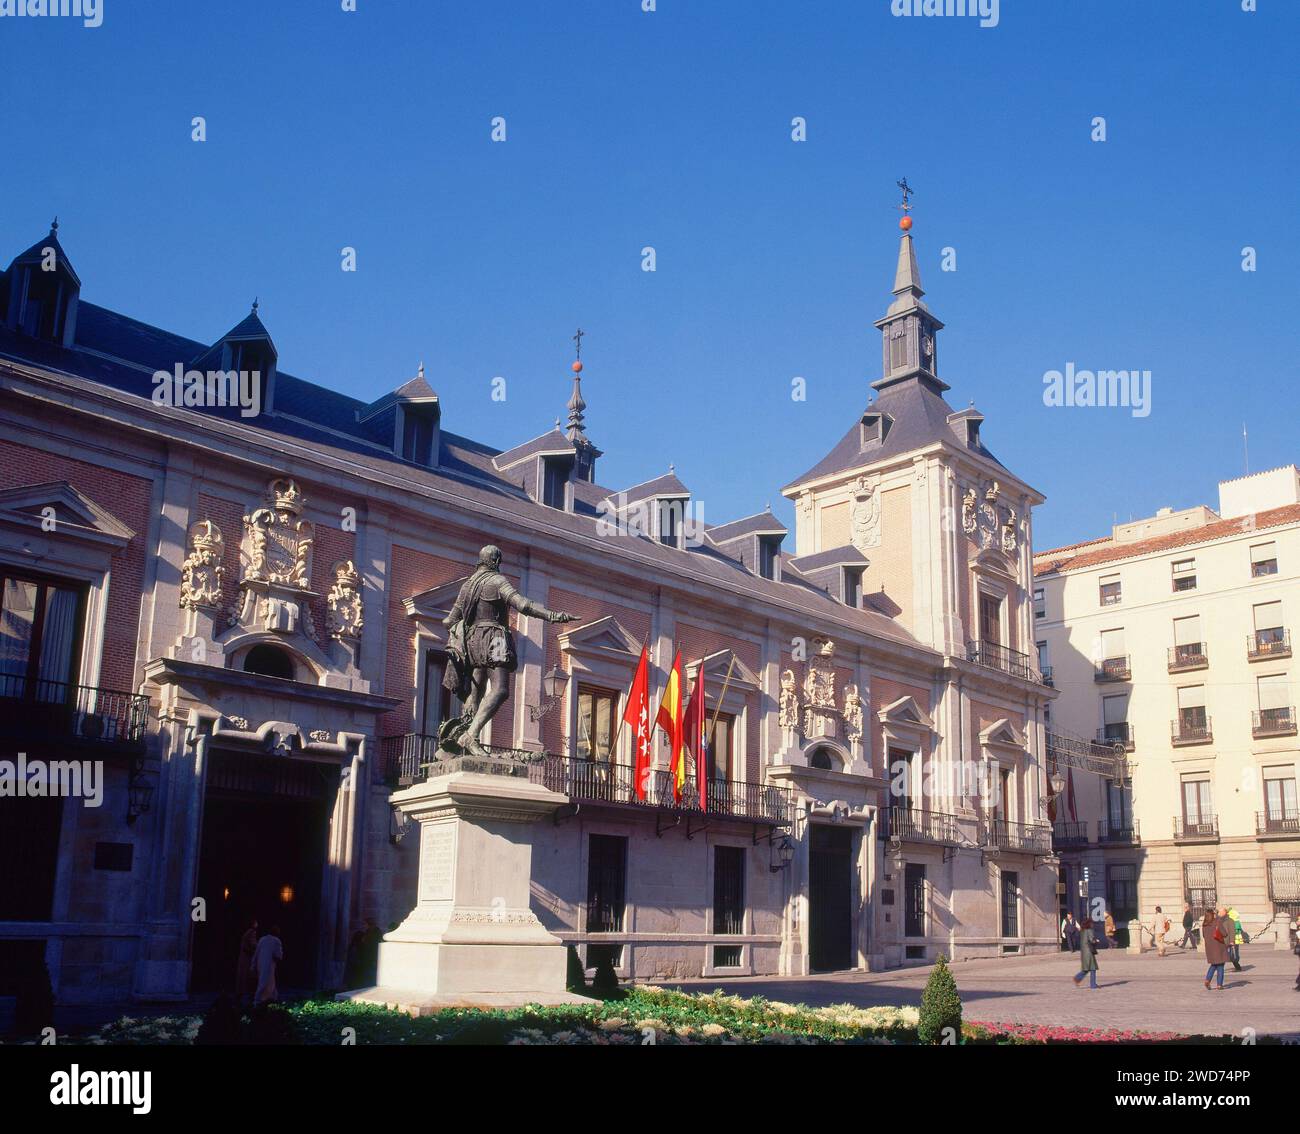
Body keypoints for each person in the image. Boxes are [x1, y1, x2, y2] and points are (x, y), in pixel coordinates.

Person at [441, 545, 577, 758]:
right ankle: (470, 734)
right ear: (496, 561)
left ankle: (466, 741)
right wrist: (554, 616)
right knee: (501, 690)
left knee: (475, 693)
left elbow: (449, 620)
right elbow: (523, 605)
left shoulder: (467, 586)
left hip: (473, 643)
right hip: (494, 640)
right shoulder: (497, 581)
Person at [252, 924, 284, 1006]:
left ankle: (273, 998)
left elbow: (256, 952)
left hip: (260, 963)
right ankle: (258, 1000)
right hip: (269, 964)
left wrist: (253, 964)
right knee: (265, 982)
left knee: (268, 982)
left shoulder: (262, 939)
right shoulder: (276, 940)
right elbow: (279, 955)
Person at [1204, 909, 1229, 990]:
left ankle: (1208, 979)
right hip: (1218, 946)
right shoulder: (1217, 921)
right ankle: (1219, 984)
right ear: (1212, 914)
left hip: (1209, 948)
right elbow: (1224, 933)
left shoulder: (1204, 924)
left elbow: (1204, 936)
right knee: (1221, 965)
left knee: (1214, 964)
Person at [235, 917, 258, 1004]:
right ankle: (246, 997)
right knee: (247, 976)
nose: (257, 924)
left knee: (242, 976)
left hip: (244, 957)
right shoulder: (252, 932)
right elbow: (253, 944)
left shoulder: (247, 932)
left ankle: (240, 995)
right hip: (247, 958)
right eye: (256, 922)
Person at [1072, 918, 1099, 988]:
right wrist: (1096, 941)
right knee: (1092, 968)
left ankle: (1077, 978)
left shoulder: (1082, 931)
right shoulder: (1089, 930)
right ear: (1089, 924)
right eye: (1092, 923)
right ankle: (1093, 985)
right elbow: (1092, 940)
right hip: (1089, 951)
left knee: (1087, 968)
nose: (1093, 925)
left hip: (1084, 952)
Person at [1227, 906, 1244, 971]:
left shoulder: (1235, 922)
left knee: (1234, 953)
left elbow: (1236, 931)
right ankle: (1237, 965)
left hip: (1234, 940)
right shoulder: (1236, 922)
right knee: (1233, 952)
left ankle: (1237, 965)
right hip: (1234, 939)